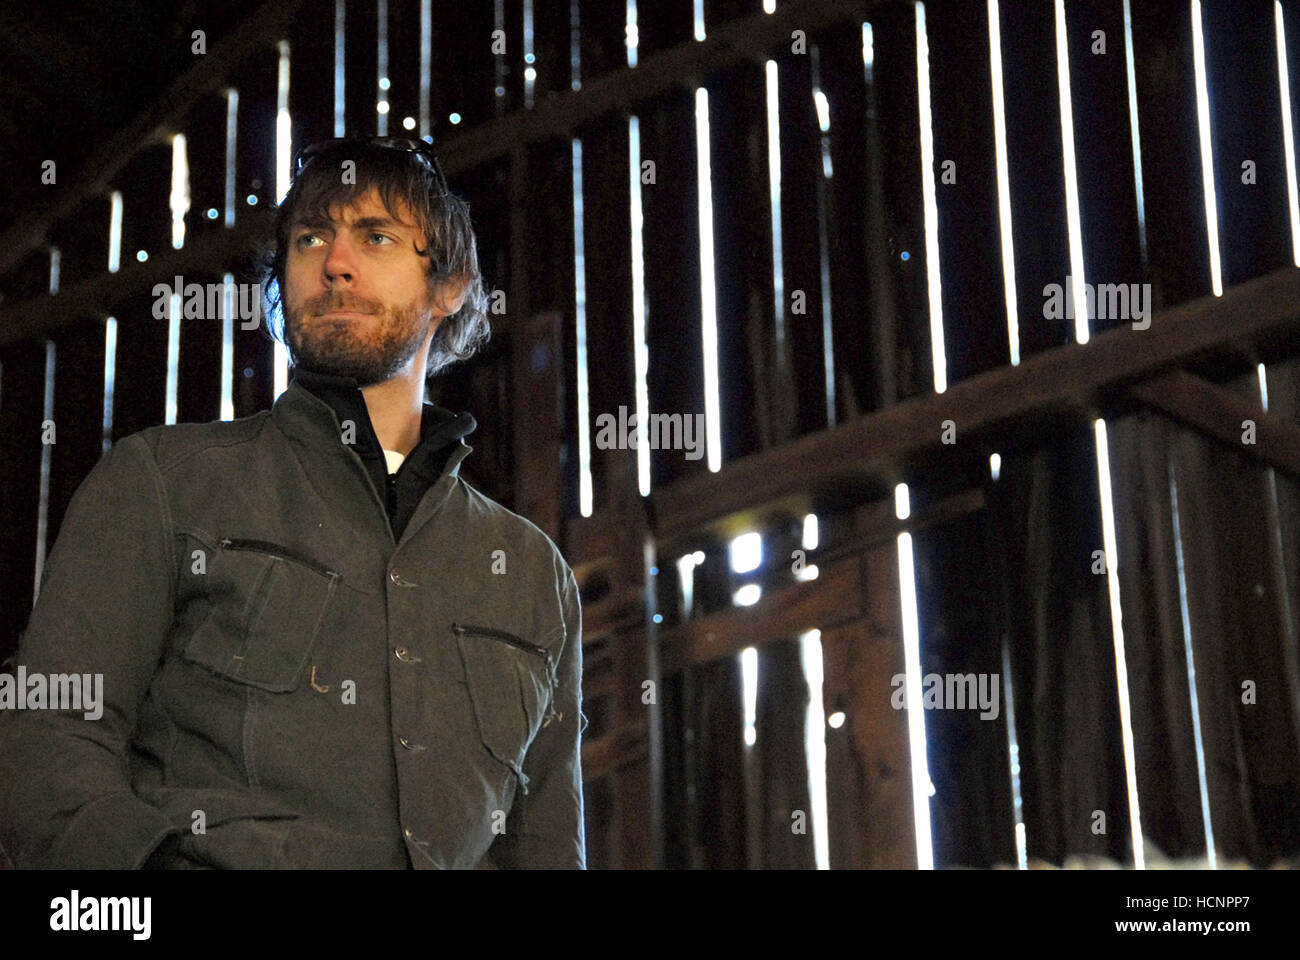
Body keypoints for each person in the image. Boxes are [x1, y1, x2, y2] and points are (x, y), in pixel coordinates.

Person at [0, 137, 586, 869]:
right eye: (310, 238)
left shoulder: (533, 576)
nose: (334, 262)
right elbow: (47, 741)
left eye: (376, 237)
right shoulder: (163, 484)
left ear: (451, 287)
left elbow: (545, 848)